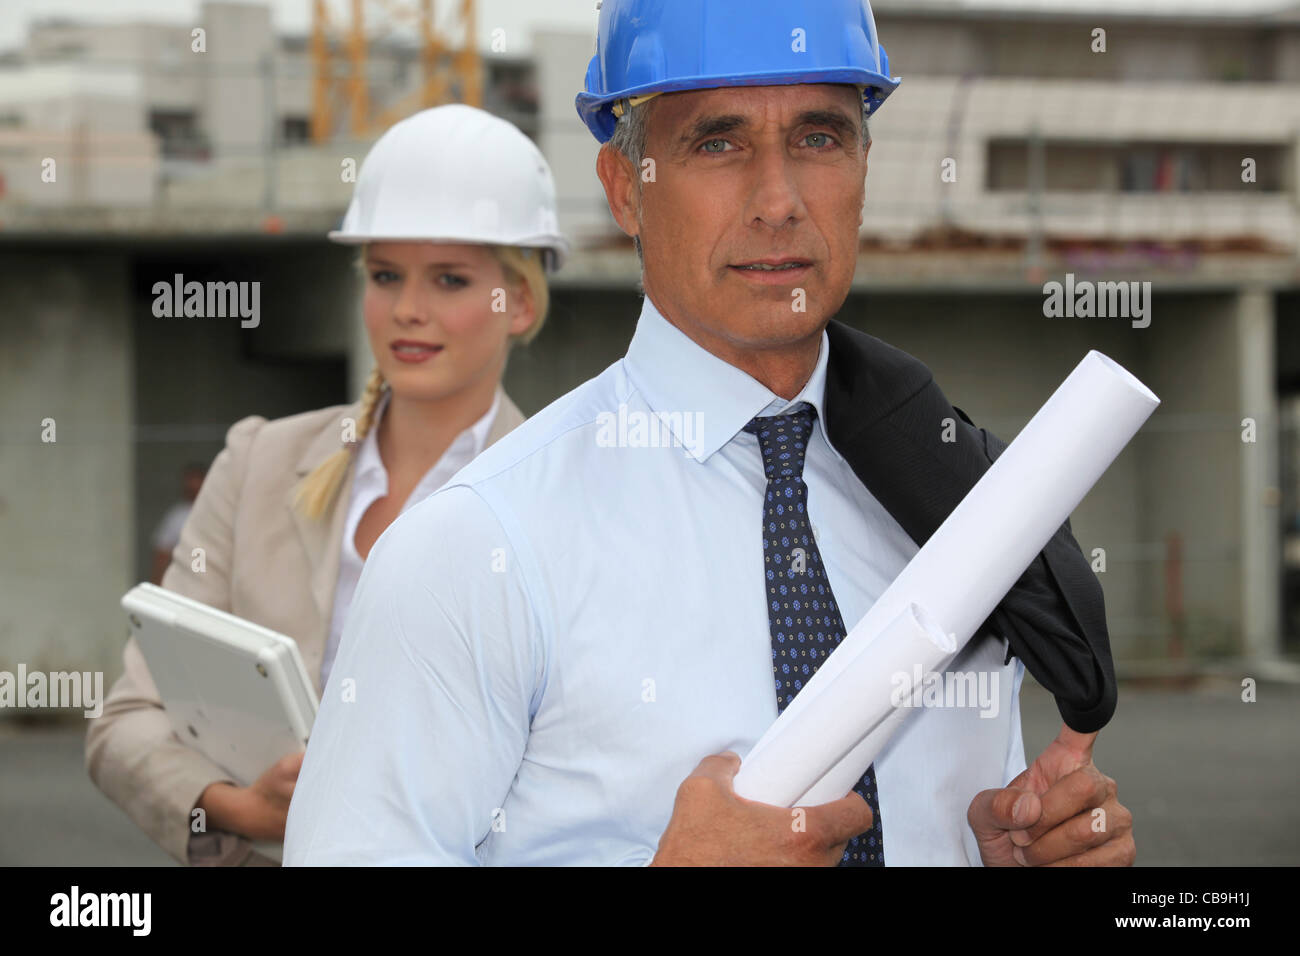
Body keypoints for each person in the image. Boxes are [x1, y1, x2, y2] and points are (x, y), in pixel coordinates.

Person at [285, 0, 1135, 866]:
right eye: (717, 143)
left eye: (819, 138)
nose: (779, 201)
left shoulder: (953, 503)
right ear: (626, 191)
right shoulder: (474, 548)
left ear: (864, 166)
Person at [84, 104, 568, 866]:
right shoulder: (257, 464)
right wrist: (239, 810)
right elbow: (127, 720)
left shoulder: (569, 501)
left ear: (523, 302)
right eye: (385, 275)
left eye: (450, 279)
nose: (408, 309)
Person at [148, 463, 206, 585]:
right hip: (184, 581)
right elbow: (162, 554)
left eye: (197, 481)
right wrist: (157, 584)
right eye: (190, 482)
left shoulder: (217, 512)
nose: (193, 486)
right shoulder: (176, 516)